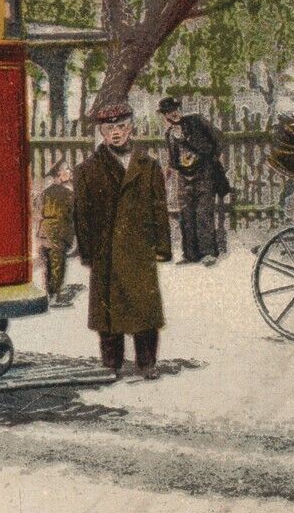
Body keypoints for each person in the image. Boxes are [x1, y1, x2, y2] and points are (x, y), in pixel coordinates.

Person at [73, 102, 172, 379]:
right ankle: (111, 363)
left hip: (139, 249)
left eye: (121, 127)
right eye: (109, 128)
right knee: (108, 313)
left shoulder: (148, 167)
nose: (116, 133)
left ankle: (147, 363)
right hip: (106, 250)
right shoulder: (87, 170)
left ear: (130, 128)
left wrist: (162, 247)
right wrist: (88, 252)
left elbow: (159, 209)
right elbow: (81, 216)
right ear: (101, 132)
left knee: (144, 311)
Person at [158, 96, 228, 266]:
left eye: (174, 110)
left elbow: (217, 140)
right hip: (184, 178)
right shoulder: (169, 134)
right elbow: (173, 162)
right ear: (164, 116)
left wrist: (210, 160)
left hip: (204, 174)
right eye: (168, 112)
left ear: (179, 109)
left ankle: (209, 253)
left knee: (203, 213)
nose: (172, 114)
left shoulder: (197, 122)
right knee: (186, 215)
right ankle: (190, 255)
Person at [38, 160, 74, 305]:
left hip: (44, 232)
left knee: (48, 266)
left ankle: (49, 294)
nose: (70, 172)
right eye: (67, 170)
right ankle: (55, 298)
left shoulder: (45, 193)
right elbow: (72, 214)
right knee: (58, 265)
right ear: (59, 174)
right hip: (58, 232)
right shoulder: (68, 193)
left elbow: (39, 212)